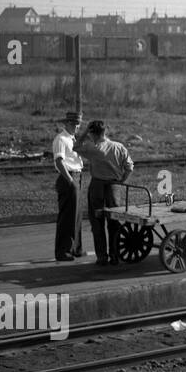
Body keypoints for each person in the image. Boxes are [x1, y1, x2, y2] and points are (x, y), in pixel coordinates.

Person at [74, 120, 135, 266]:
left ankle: (102, 257)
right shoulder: (119, 147)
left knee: (97, 222)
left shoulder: (93, 148)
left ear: (93, 134)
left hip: (97, 186)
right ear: (104, 132)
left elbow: (75, 147)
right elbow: (130, 167)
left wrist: (84, 134)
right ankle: (115, 255)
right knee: (114, 220)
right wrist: (121, 180)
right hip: (114, 186)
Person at [51, 111, 85, 261]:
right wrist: (70, 180)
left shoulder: (73, 139)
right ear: (66, 124)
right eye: (73, 124)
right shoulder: (61, 139)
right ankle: (63, 252)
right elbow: (59, 161)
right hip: (68, 178)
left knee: (77, 216)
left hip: (77, 176)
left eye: (78, 124)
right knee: (67, 217)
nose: (76, 127)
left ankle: (76, 248)